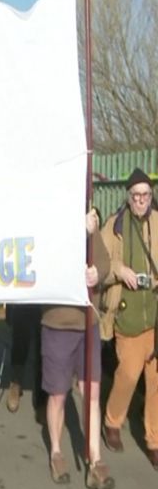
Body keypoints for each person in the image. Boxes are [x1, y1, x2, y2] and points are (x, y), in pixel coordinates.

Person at [42, 208, 114, 489]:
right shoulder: (52, 221)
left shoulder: (90, 219)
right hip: (58, 323)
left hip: (88, 323)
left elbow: (105, 263)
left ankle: (95, 460)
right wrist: (76, 232)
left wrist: (98, 272)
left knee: (92, 393)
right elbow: (48, 262)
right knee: (58, 394)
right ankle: (57, 452)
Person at [100, 167, 158, 469]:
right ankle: (112, 420)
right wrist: (118, 271)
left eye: (146, 195)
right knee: (129, 374)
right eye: (136, 195)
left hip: (155, 318)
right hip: (127, 316)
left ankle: (154, 440)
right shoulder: (115, 225)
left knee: (156, 381)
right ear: (128, 197)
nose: (141, 201)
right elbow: (98, 264)